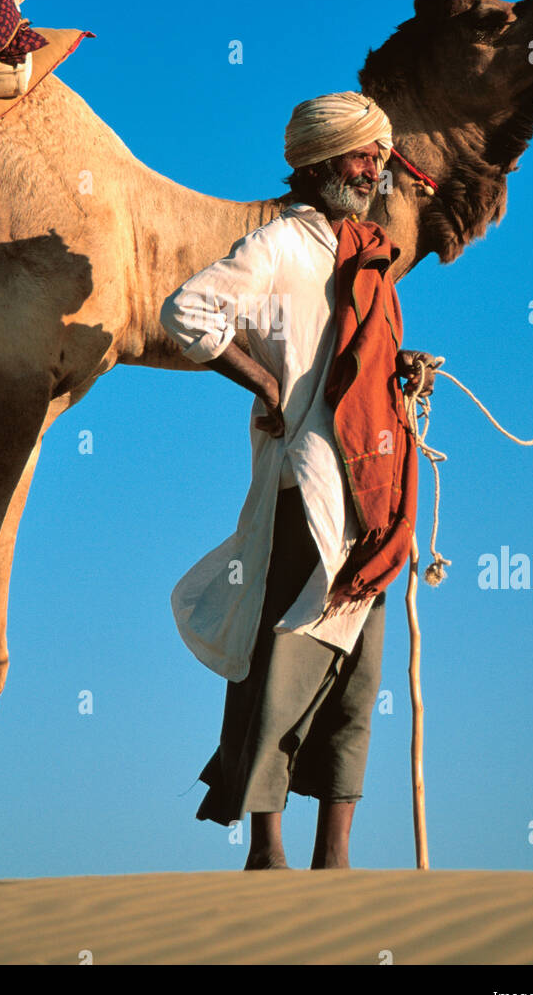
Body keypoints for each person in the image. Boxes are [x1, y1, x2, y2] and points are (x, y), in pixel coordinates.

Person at [159, 92, 439, 869]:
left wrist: (398, 368)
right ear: (317, 164)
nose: (373, 167)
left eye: (378, 155)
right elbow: (187, 313)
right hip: (306, 486)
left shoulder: (371, 256)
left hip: (373, 493)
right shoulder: (281, 244)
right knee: (282, 663)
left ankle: (335, 860)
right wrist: (265, 383)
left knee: (358, 675)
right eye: (359, 155)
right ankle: (267, 852)